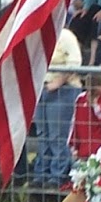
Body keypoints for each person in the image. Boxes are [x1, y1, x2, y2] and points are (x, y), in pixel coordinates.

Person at [31, 24, 83, 190]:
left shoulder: (66, 36)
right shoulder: (38, 37)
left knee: (57, 134)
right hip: (42, 88)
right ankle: (41, 174)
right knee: (43, 133)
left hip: (63, 90)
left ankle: (57, 175)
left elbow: (75, 61)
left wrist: (59, 81)